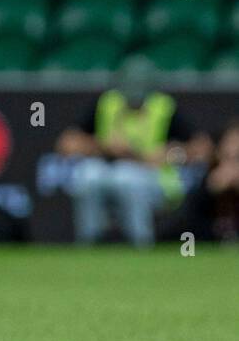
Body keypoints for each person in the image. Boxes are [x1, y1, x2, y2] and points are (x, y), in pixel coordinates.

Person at [57, 64, 208, 246]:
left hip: (152, 177)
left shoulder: (164, 107)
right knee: (88, 176)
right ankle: (90, 243)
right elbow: (66, 144)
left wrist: (170, 154)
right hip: (109, 170)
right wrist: (104, 145)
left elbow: (203, 148)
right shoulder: (107, 103)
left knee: (127, 179)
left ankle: (140, 243)